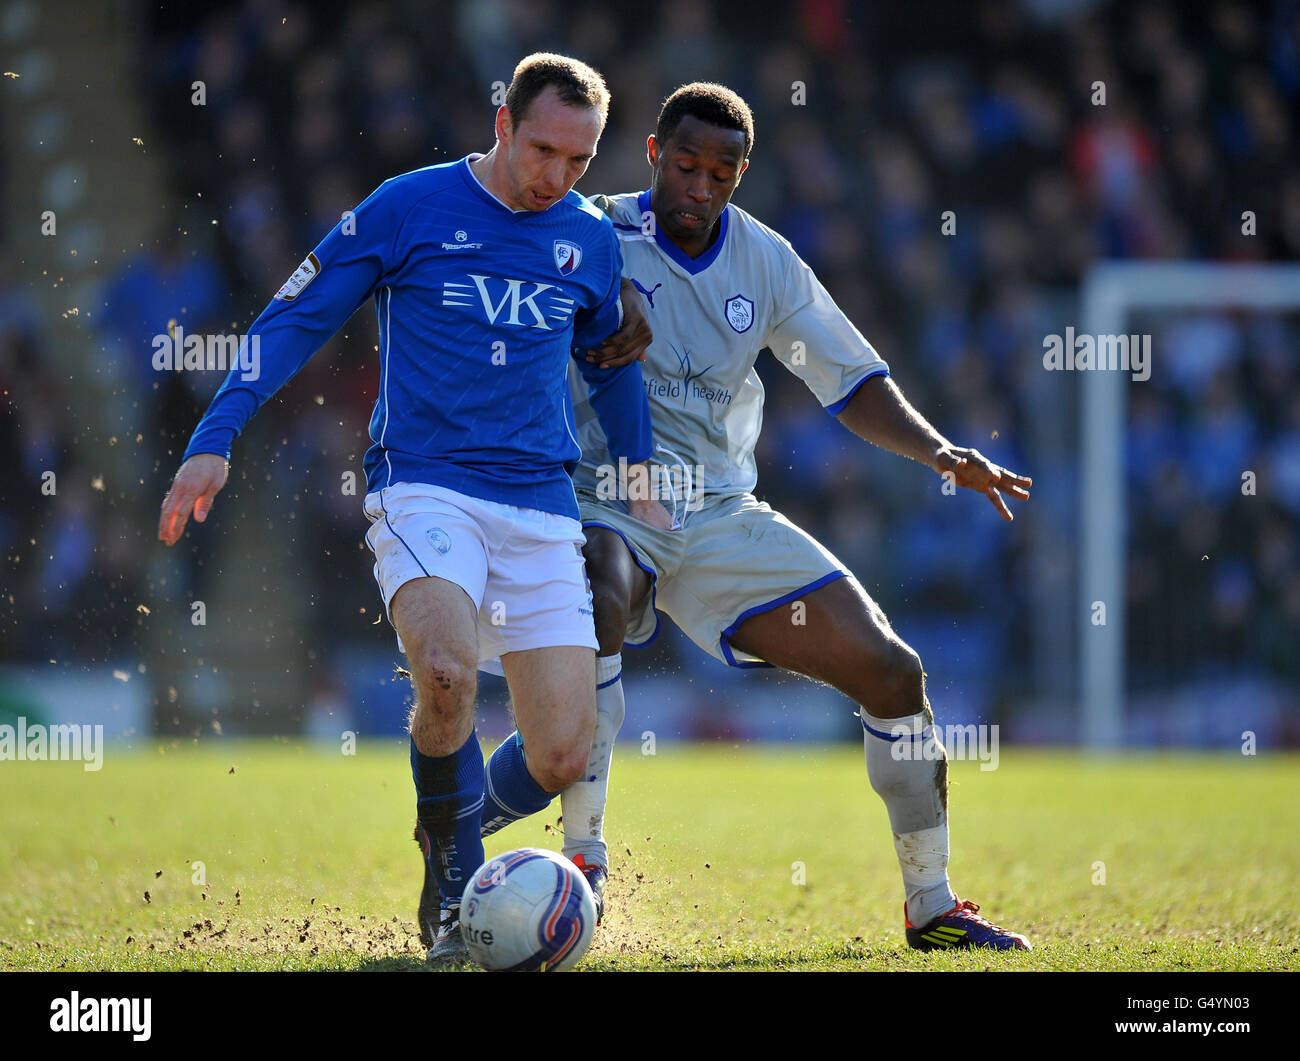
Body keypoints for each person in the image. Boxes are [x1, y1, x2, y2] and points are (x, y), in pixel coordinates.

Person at [484, 82, 1034, 950]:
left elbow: (849, 382)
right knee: (603, 584)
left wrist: (939, 454)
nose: (701, 188)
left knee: (894, 673)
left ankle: (931, 905)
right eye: (689, 165)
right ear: (655, 155)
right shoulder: (590, 230)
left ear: (742, 175)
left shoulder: (768, 262)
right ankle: (585, 855)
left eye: (723, 173)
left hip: (718, 514)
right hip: (601, 499)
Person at [157, 53, 670, 964]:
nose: (558, 176)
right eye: (544, 149)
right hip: (424, 483)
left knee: (559, 756)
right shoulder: (411, 204)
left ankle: (454, 826)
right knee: (444, 673)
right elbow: (296, 315)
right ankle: (450, 886)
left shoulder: (588, 239)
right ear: (503, 122)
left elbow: (610, 358)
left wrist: (638, 474)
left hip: (541, 504)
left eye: (580, 163)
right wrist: (215, 436)